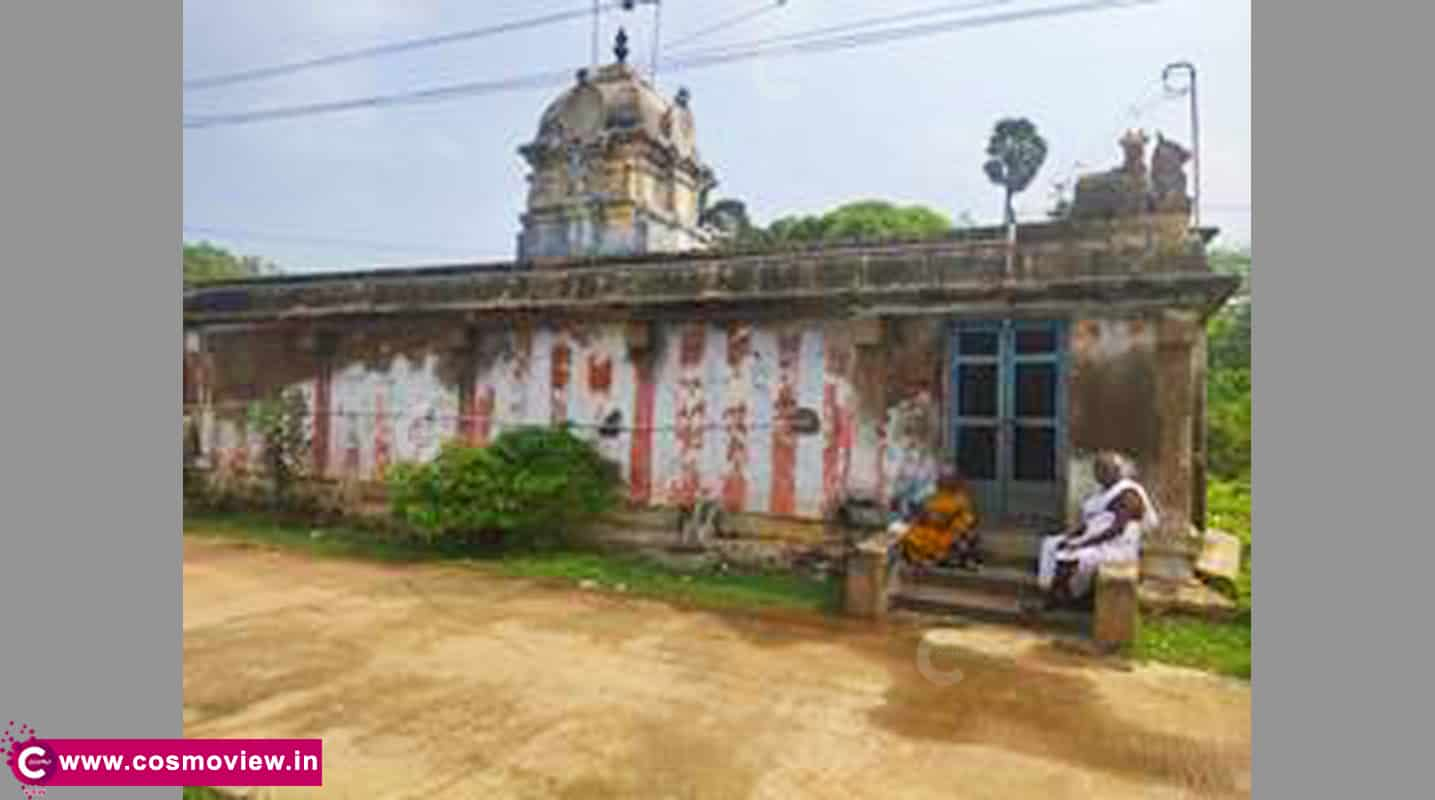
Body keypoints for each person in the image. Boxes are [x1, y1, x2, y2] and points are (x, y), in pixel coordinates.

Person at [1036, 451, 1159, 608]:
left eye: (1104, 470)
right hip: (1095, 539)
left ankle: (1066, 598)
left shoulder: (1128, 494)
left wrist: (1082, 544)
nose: (1099, 475)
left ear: (1116, 471)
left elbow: (1116, 530)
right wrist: (1071, 535)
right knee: (1052, 544)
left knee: (1073, 558)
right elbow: (1090, 522)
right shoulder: (1103, 492)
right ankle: (1049, 591)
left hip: (1116, 547)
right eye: (1097, 470)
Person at [893, 466, 982, 570]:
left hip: (949, 530)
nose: (944, 481)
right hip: (930, 529)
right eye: (942, 479)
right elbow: (926, 510)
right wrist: (922, 516)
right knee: (905, 532)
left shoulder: (961, 498)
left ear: (955, 480)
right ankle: (922, 559)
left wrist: (937, 518)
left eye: (948, 479)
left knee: (959, 539)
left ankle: (936, 559)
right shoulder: (935, 495)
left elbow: (959, 518)